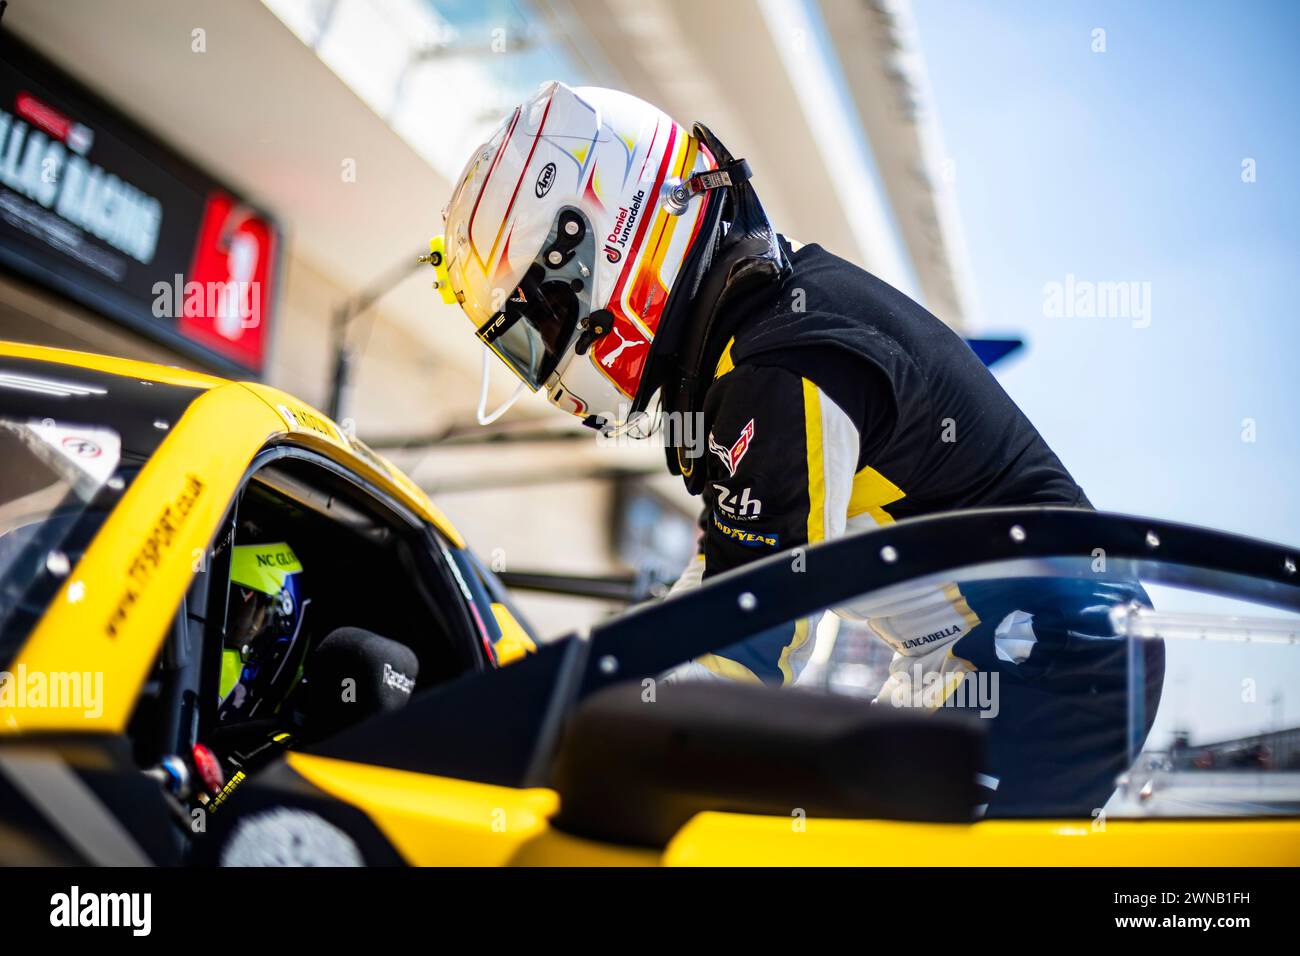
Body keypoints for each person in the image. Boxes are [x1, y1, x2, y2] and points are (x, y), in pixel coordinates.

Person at [431, 82, 1163, 813]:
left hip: (1051, 660)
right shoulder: (758, 333)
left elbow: (747, 649)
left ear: (597, 245)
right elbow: (719, 596)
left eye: (540, 323)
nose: (544, 368)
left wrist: (538, 742)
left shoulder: (776, 370)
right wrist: (567, 684)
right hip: (1014, 654)